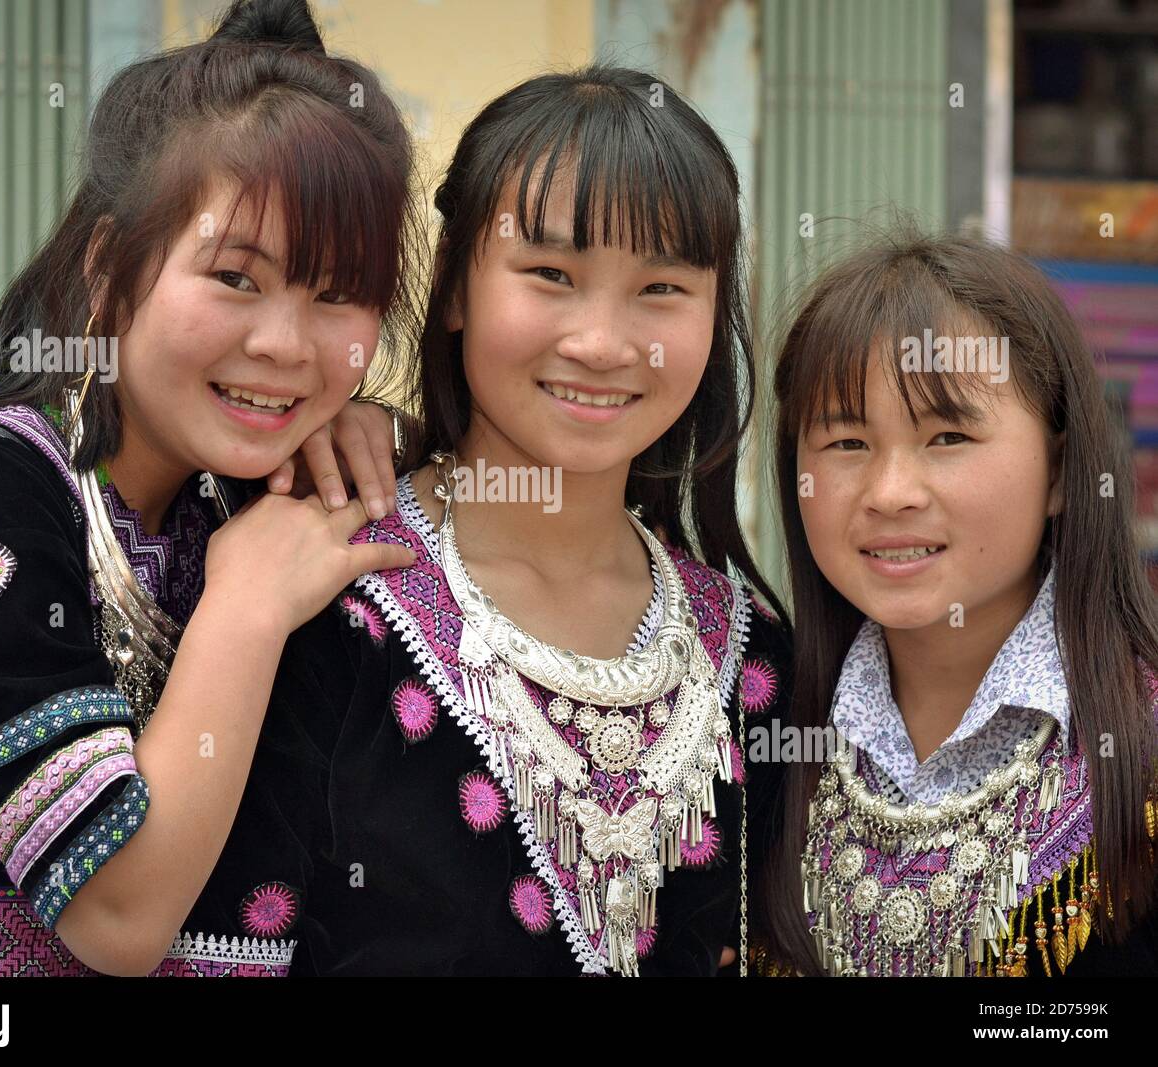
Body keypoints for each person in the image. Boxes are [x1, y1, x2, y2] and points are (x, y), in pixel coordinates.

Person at [0, 0, 418, 977]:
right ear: (106, 271)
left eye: (337, 294)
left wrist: (382, 426)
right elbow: (116, 911)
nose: (285, 345)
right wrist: (243, 609)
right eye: (237, 278)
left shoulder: (236, 493)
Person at [256, 63, 792, 976]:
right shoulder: (317, 598)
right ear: (458, 288)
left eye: (662, 289)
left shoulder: (755, 663)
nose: (601, 342)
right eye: (550, 273)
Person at [754, 232, 1158, 977]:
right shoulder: (755, 733)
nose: (890, 492)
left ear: (1061, 472)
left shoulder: (1141, 751)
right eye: (846, 442)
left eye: (947, 435)